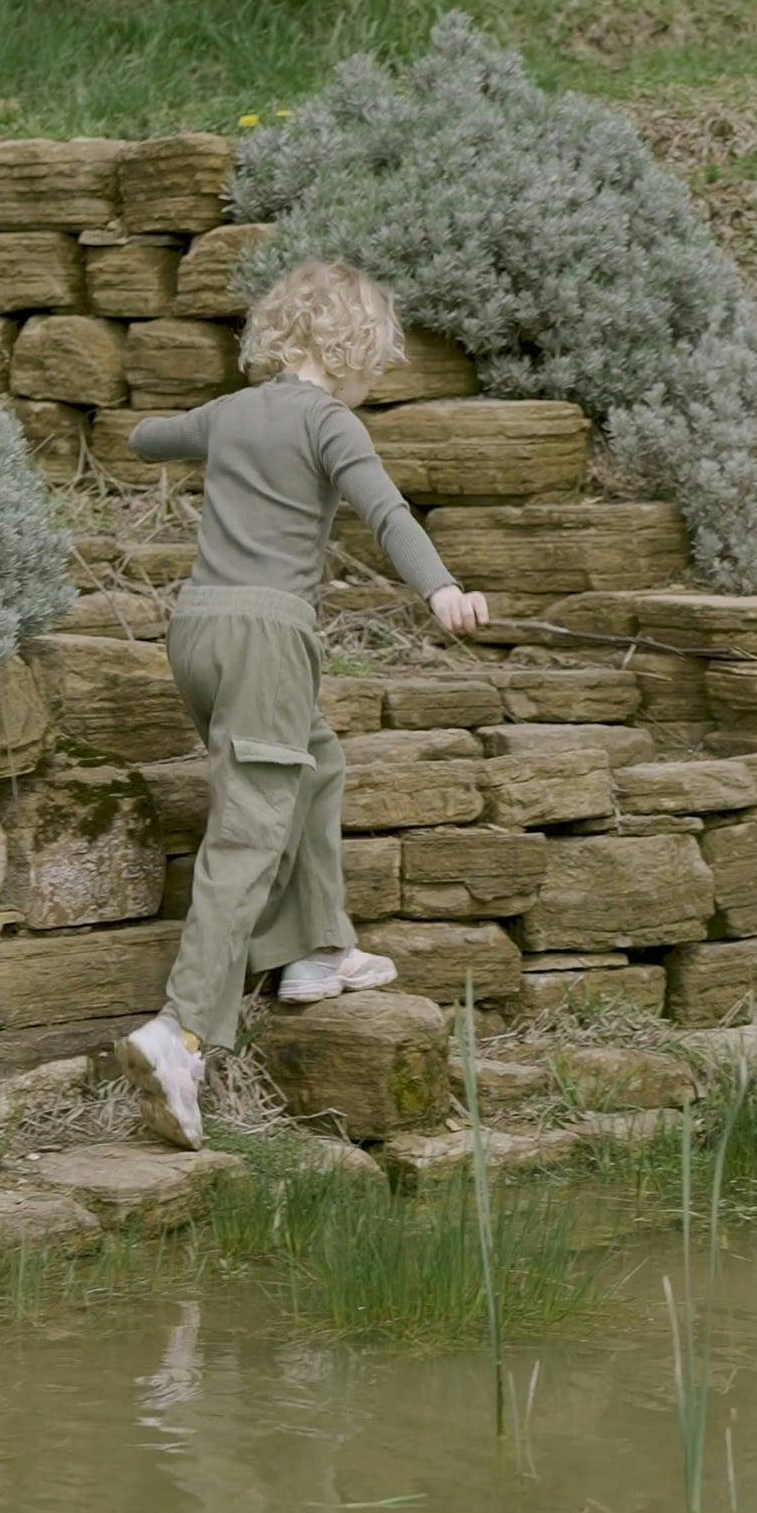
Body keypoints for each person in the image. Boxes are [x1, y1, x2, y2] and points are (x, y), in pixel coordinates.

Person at [110, 261, 489, 1149]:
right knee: (250, 826)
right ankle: (182, 1032)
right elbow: (387, 514)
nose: (378, 377)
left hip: (196, 631)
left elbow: (144, 440)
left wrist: (195, 437)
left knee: (317, 763)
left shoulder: (232, 414)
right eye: (376, 359)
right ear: (346, 347)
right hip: (268, 638)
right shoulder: (330, 422)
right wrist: (441, 591)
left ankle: (318, 949)